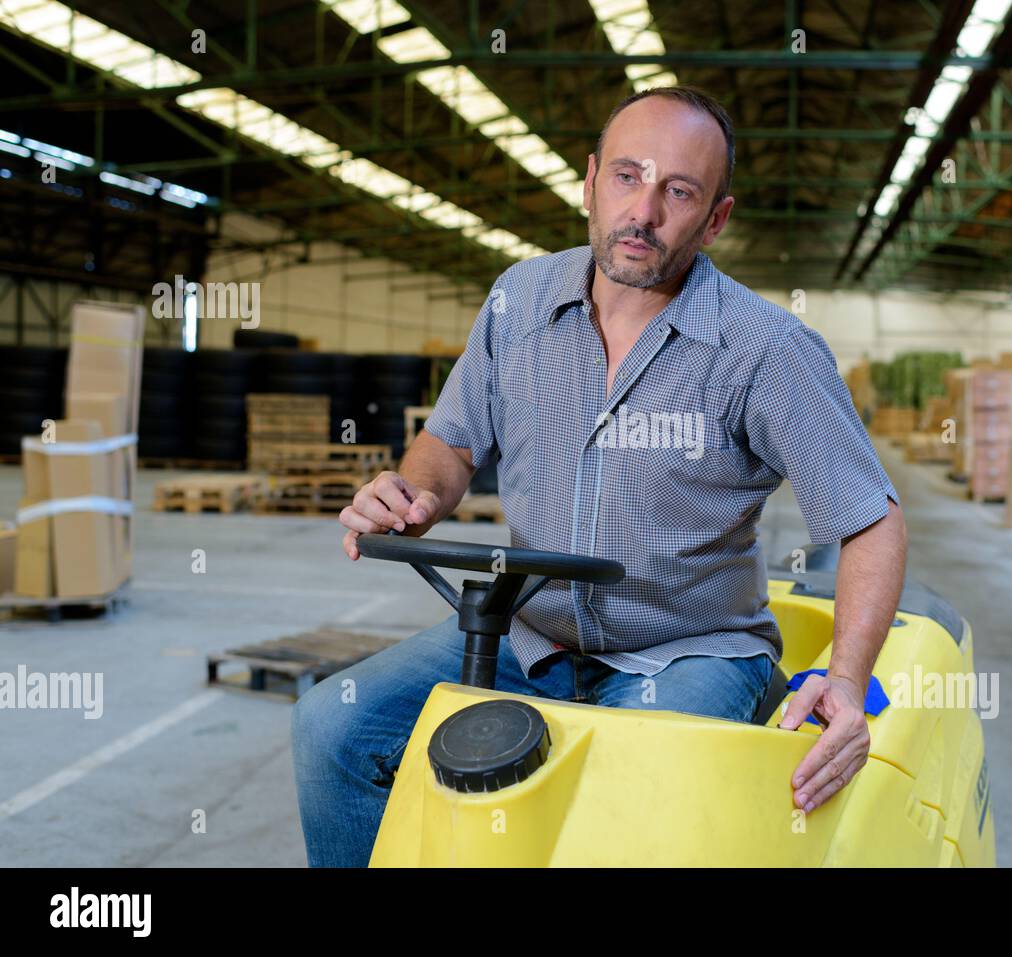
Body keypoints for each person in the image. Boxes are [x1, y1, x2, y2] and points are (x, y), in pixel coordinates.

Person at [292, 85, 906, 867]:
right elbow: (449, 440)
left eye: (677, 191)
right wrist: (413, 495)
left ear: (715, 218)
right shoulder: (518, 302)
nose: (642, 211)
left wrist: (848, 683)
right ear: (589, 182)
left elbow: (870, 519)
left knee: (640, 806)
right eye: (626, 176)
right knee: (331, 730)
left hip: (691, 651)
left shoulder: (765, 349)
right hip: (530, 637)